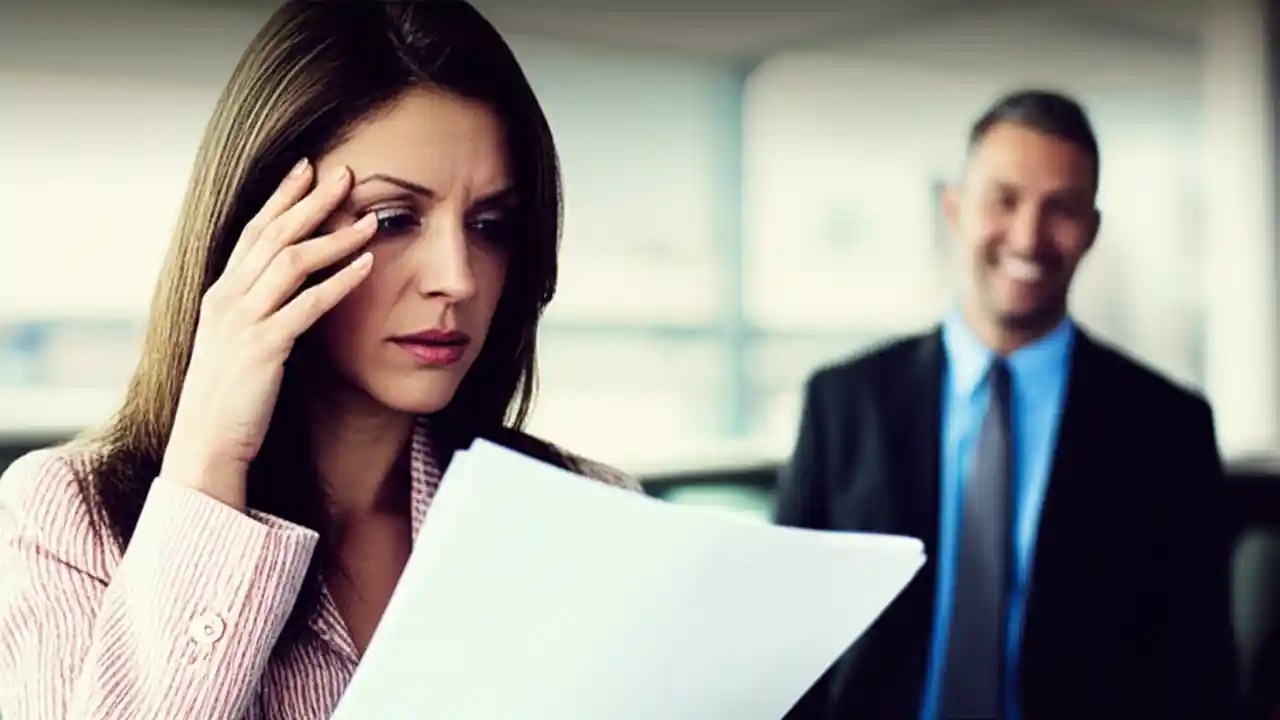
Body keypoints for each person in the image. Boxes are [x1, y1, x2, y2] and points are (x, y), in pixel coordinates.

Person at [0, 2, 637, 718]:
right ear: (261, 229)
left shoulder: (595, 514)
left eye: (490, 227)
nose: (457, 278)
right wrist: (210, 465)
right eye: (393, 220)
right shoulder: (69, 517)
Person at [776, 90, 1239, 719]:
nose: (1029, 235)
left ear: (1092, 231)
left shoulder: (1167, 429)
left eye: (1062, 208)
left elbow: (1198, 677)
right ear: (955, 208)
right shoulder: (843, 402)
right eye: (1004, 199)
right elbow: (788, 643)